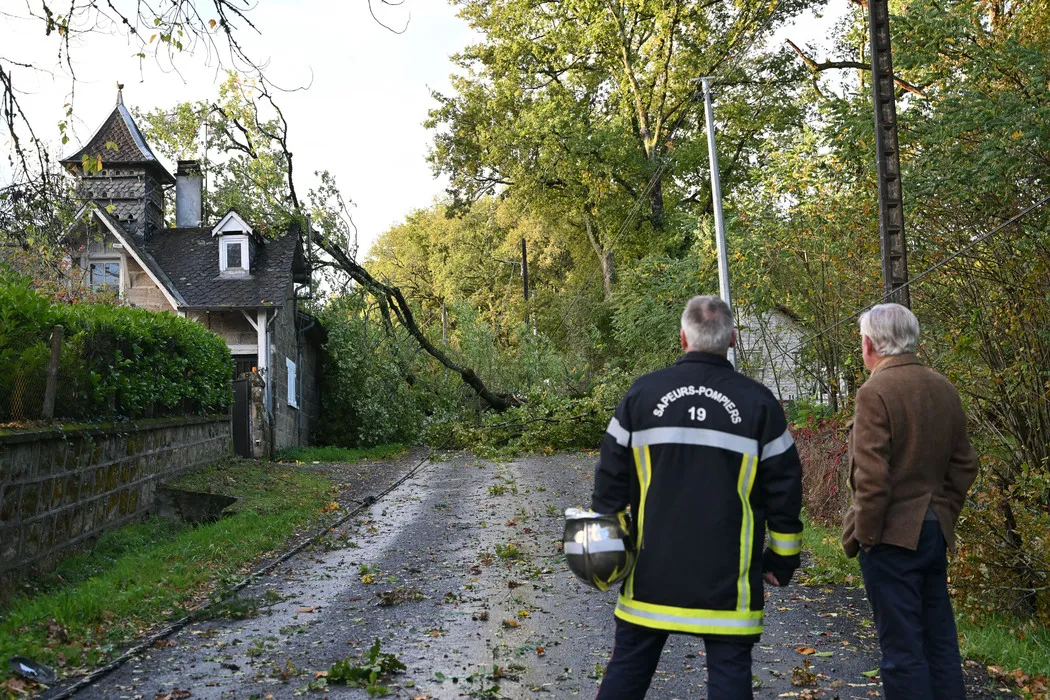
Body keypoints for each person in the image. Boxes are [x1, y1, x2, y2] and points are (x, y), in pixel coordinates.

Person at [590, 295, 803, 700]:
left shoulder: (641, 395)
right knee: (729, 678)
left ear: (683, 339)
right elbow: (785, 489)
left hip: (650, 577)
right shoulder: (760, 404)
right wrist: (782, 559)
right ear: (733, 340)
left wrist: (606, 551)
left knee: (628, 671)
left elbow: (610, 483)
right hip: (730, 581)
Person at [842, 303, 979, 700]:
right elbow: (965, 465)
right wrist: (943, 511)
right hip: (934, 533)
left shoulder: (875, 392)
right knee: (939, 645)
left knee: (902, 652)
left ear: (870, 344)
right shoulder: (943, 387)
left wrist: (866, 537)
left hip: (889, 538)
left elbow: (872, 478)